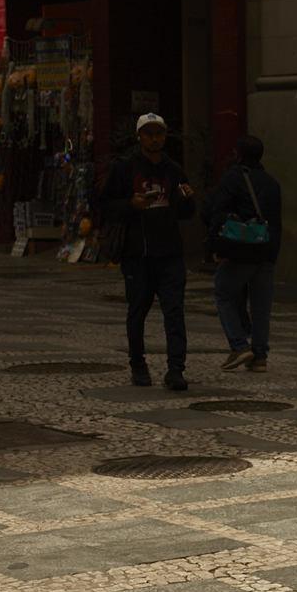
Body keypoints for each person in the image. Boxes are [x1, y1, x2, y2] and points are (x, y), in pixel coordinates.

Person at [102, 112, 195, 391]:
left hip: (169, 252)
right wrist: (132, 204)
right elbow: (106, 205)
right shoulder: (125, 167)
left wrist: (188, 200)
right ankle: (138, 365)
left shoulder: (173, 169)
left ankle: (176, 369)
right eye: (149, 133)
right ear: (139, 136)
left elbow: (186, 212)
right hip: (137, 253)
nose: (155, 138)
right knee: (137, 311)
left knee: (175, 312)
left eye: (159, 133)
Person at [202, 135, 283, 373]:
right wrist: (273, 252)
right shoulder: (272, 183)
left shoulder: (233, 179)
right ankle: (260, 356)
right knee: (261, 306)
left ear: (238, 154)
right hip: (266, 249)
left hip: (240, 249)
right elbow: (276, 222)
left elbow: (218, 212)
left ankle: (239, 344)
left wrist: (215, 247)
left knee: (223, 292)